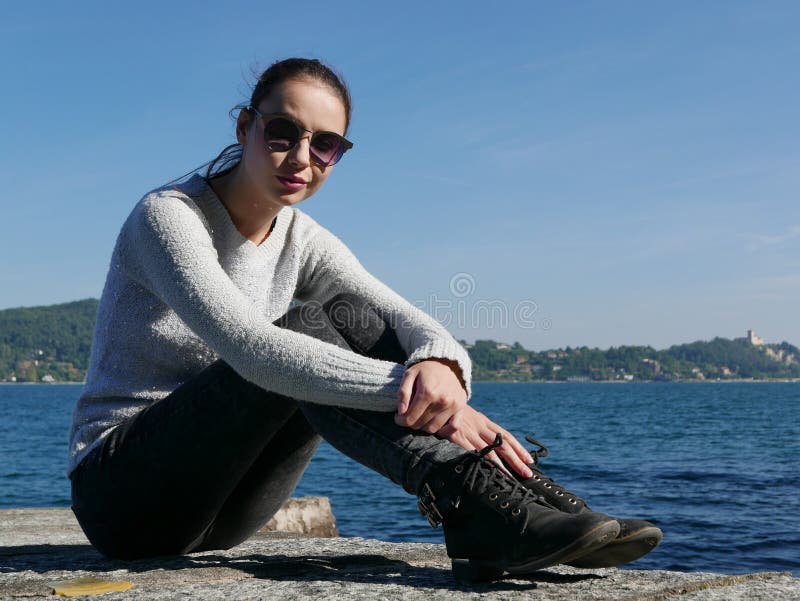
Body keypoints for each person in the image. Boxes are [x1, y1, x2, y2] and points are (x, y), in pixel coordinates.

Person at [67, 57, 661, 581]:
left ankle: (519, 497)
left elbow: (404, 318)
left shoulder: (302, 237)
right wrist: (415, 394)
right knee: (298, 333)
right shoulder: (169, 217)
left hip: (225, 511)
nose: (302, 158)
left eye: (325, 145)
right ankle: (467, 500)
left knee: (354, 318)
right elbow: (250, 349)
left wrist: (442, 366)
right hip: (124, 499)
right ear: (245, 127)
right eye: (282, 132)